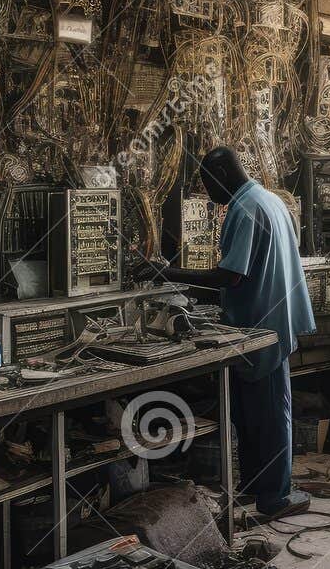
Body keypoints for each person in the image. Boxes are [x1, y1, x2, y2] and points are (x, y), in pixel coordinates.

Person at [131, 148, 315, 520]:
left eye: (206, 183)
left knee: (270, 414)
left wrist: (165, 273)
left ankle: (275, 497)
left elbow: (231, 276)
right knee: (250, 415)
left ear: (221, 175)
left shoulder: (245, 209)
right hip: (268, 318)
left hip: (264, 325)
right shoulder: (268, 200)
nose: (207, 192)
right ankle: (253, 487)